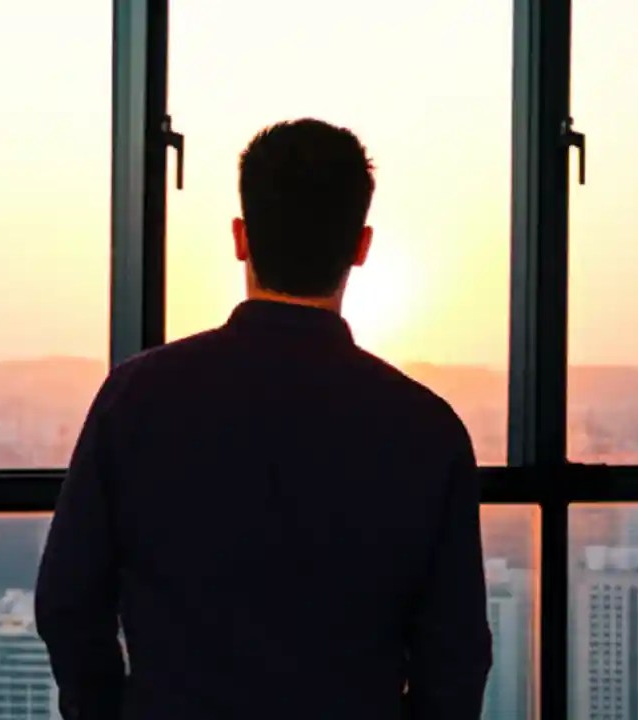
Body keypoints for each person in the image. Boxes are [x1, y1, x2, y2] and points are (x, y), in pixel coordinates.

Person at [36, 118, 491, 720]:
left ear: (240, 237)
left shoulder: (137, 399)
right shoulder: (428, 430)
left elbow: (69, 603)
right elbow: (456, 655)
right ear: (361, 246)